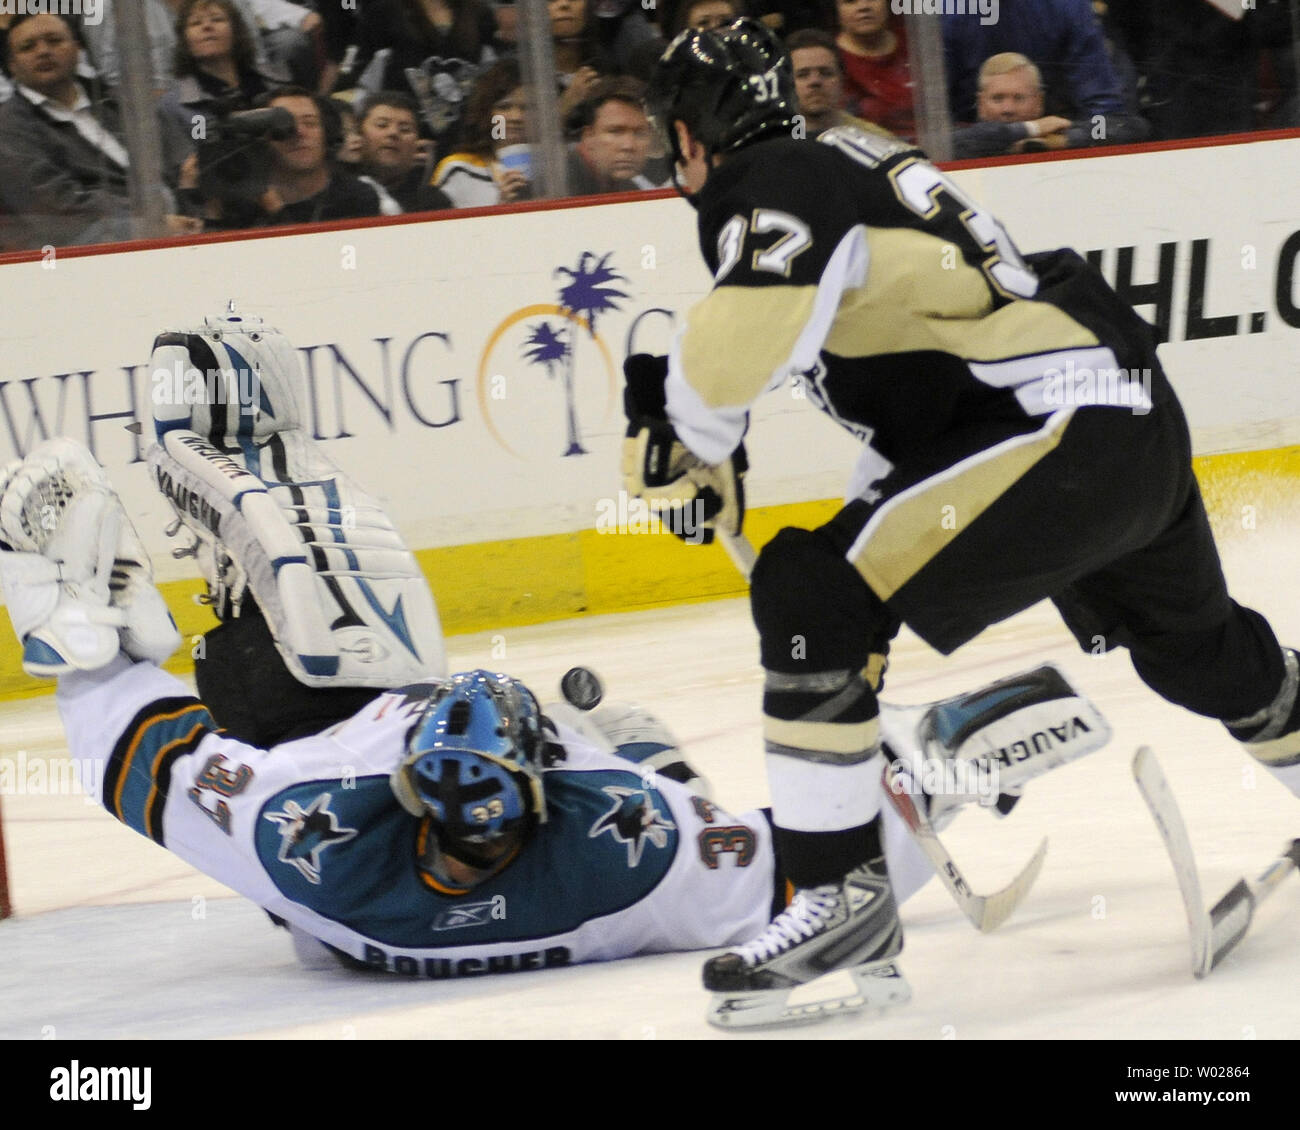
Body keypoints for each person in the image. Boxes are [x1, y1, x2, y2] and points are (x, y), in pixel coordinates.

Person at [627, 18, 1300, 1027]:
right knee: (1197, 650)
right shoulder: (848, 159)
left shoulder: (766, 179)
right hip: (1112, 421)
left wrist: (680, 427)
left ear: (689, 134)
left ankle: (834, 895)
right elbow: (916, 396)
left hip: (1057, 430)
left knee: (807, 588)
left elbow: (727, 354)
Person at [0, 311, 1006, 980]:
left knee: (272, 724)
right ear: (547, 784)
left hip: (341, 885)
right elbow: (813, 876)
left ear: (401, 776)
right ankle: (624, 730)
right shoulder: (626, 840)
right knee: (650, 770)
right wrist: (938, 766)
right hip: (558, 784)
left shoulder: (315, 836)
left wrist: (83, 640)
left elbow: (146, 760)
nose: (468, 858)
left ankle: (612, 727)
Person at [0, 12, 198, 249]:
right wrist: (146, 223)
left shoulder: (115, 101)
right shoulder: (9, 126)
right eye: (27, 47)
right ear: (12, 65)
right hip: (83, 252)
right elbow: (54, 207)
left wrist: (192, 180)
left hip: (181, 225)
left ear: (77, 49)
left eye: (54, 40)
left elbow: (180, 158)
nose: (43, 51)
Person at [951, 53, 1074, 159]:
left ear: (1039, 101)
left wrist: (1055, 142)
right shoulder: (959, 141)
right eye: (998, 98)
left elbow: (1090, 132)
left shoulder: (1060, 133)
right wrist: (1033, 128)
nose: (1008, 109)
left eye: (1019, 98)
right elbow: (951, 144)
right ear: (981, 103)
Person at [354, 91, 452, 212]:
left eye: (405, 129)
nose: (393, 133)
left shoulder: (433, 203)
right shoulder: (338, 195)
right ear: (359, 134)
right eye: (382, 125)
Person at [565, 76, 663, 195]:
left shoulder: (630, 188)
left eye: (639, 133)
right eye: (615, 132)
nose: (629, 145)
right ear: (588, 136)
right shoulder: (554, 183)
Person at [786, 27, 880, 138]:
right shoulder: (769, 140)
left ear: (842, 80)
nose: (815, 81)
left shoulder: (874, 138)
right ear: (785, 82)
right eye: (803, 75)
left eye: (826, 73)